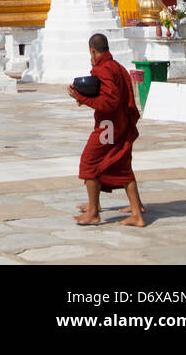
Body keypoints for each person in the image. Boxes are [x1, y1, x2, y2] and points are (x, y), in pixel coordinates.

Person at [67, 32, 145, 226]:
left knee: (89, 163)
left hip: (108, 126)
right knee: (122, 164)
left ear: (92, 51)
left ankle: (94, 211)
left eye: (91, 53)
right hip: (122, 123)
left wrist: (81, 97)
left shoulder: (103, 70)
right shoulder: (117, 67)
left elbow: (109, 102)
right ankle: (137, 212)